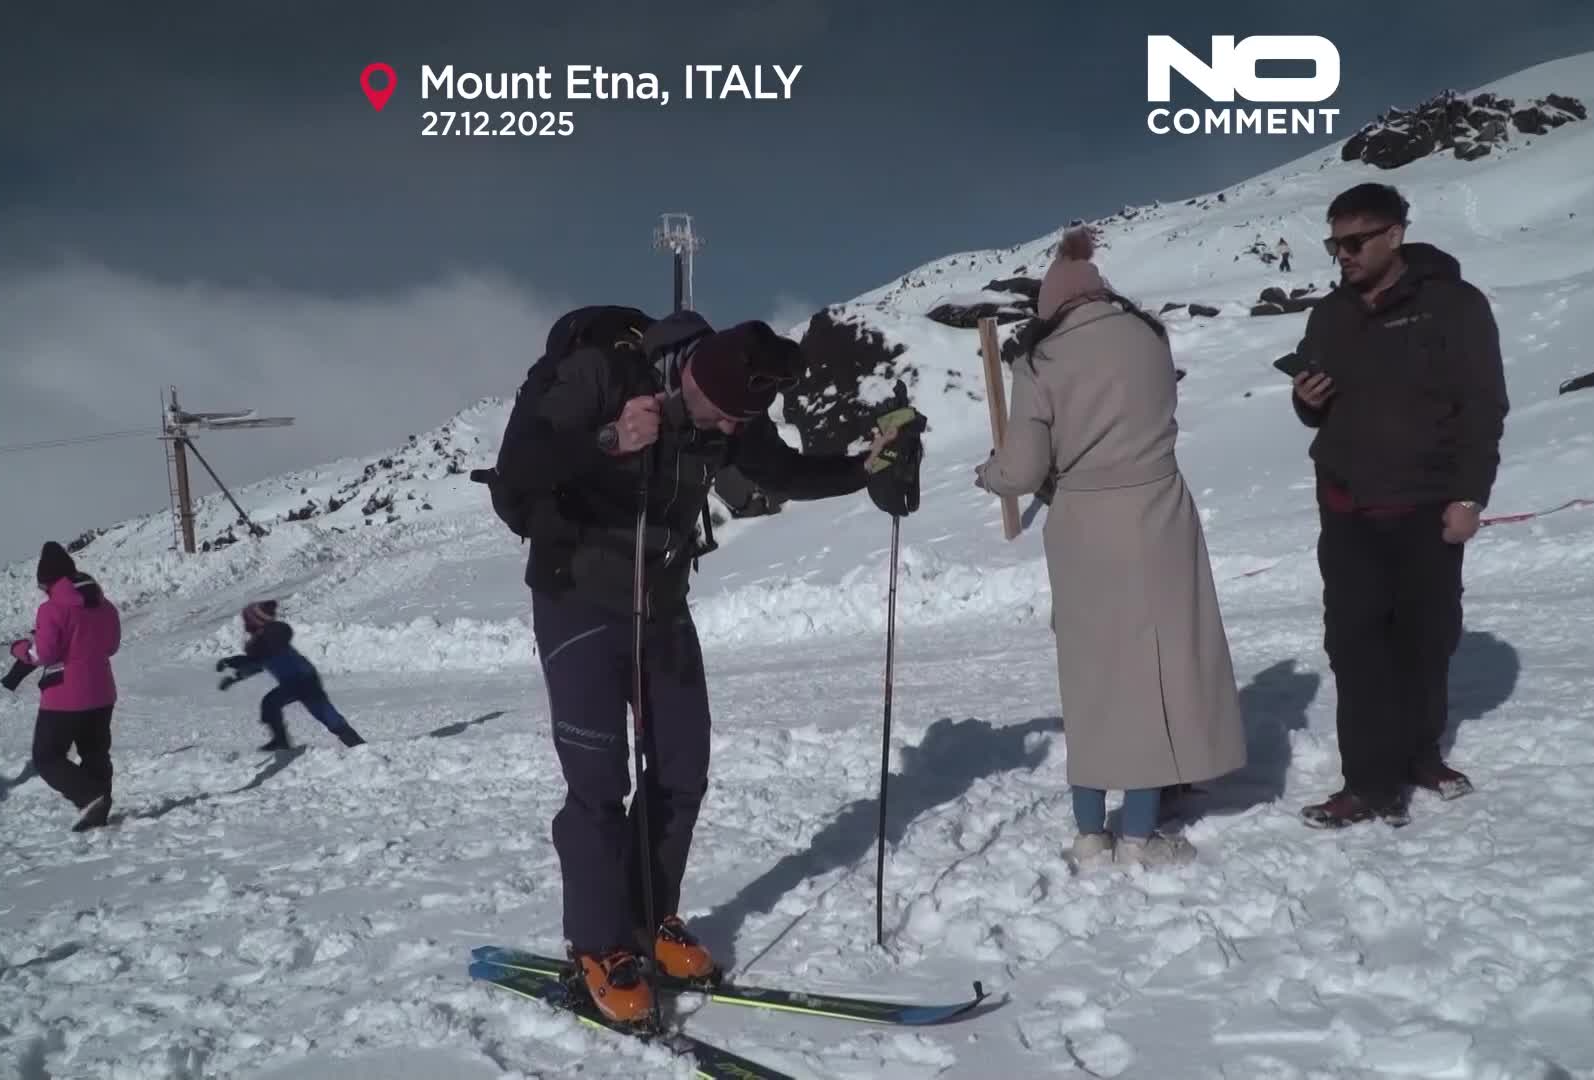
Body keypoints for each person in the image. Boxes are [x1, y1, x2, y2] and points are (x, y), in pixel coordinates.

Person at [496, 309, 926, 1023]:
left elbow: (781, 470)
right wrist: (608, 440)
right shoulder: (598, 375)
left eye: (741, 422)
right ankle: (599, 945)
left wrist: (864, 468)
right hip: (579, 601)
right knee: (599, 784)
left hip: (660, 604)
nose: (731, 432)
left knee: (682, 772)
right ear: (691, 382)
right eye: (724, 418)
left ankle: (647, 920)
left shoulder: (731, 412)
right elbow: (516, 482)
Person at [977, 227, 1247, 869]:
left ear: (1052, 305)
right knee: (1155, 668)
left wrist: (988, 472)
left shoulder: (1040, 362)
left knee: (1093, 675)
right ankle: (1142, 830)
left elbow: (1020, 471)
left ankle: (1091, 832)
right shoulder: (1151, 339)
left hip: (1084, 526)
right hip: (1159, 511)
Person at [1287, 182, 1509, 828]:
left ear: (1395, 234)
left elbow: (1483, 407)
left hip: (1424, 505)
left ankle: (1419, 754)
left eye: (1354, 242)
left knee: (1426, 638)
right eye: (1335, 244)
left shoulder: (1454, 306)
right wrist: (1308, 397)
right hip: (1348, 507)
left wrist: (1470, 496)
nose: (1343, 255)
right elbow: (1311, 408)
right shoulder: (1329, 315)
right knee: (1354, 644)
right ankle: (1367, 783)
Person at [9, 541, 122, 832]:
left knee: (46, 757)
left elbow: (42, 655)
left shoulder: (51, 610)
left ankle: (91, 797)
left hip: (65, 698)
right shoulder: (104, 604)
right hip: (102, 693)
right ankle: (99, 809)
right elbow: (111, 646)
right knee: (95, 752)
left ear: (47, 581)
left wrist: (21, 649)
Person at [216, 601, 367, 750]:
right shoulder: (264, 639)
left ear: (256, 621)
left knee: (322, 713)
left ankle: (358, 746)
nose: (246, 625)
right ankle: (357, 745)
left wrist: (232, 663)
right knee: (276, 704)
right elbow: (258, 664)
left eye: (248, 620)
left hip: (302, 680)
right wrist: (235, 677)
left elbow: (256, 659)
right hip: (296, 681)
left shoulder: (270, 636)